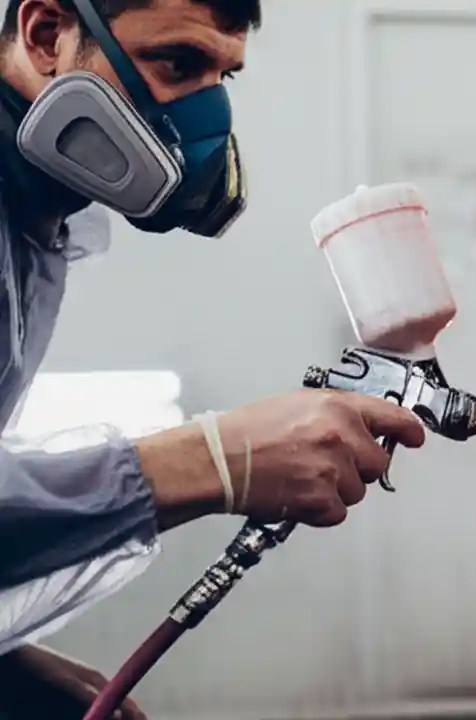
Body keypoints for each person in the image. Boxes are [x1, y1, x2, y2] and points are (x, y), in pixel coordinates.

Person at [0, 1, 427, 717]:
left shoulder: (35, 216)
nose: (207, 114)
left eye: (223, 73)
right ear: (47, 34)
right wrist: (209, 460)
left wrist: (10, 666)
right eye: (178, 63)